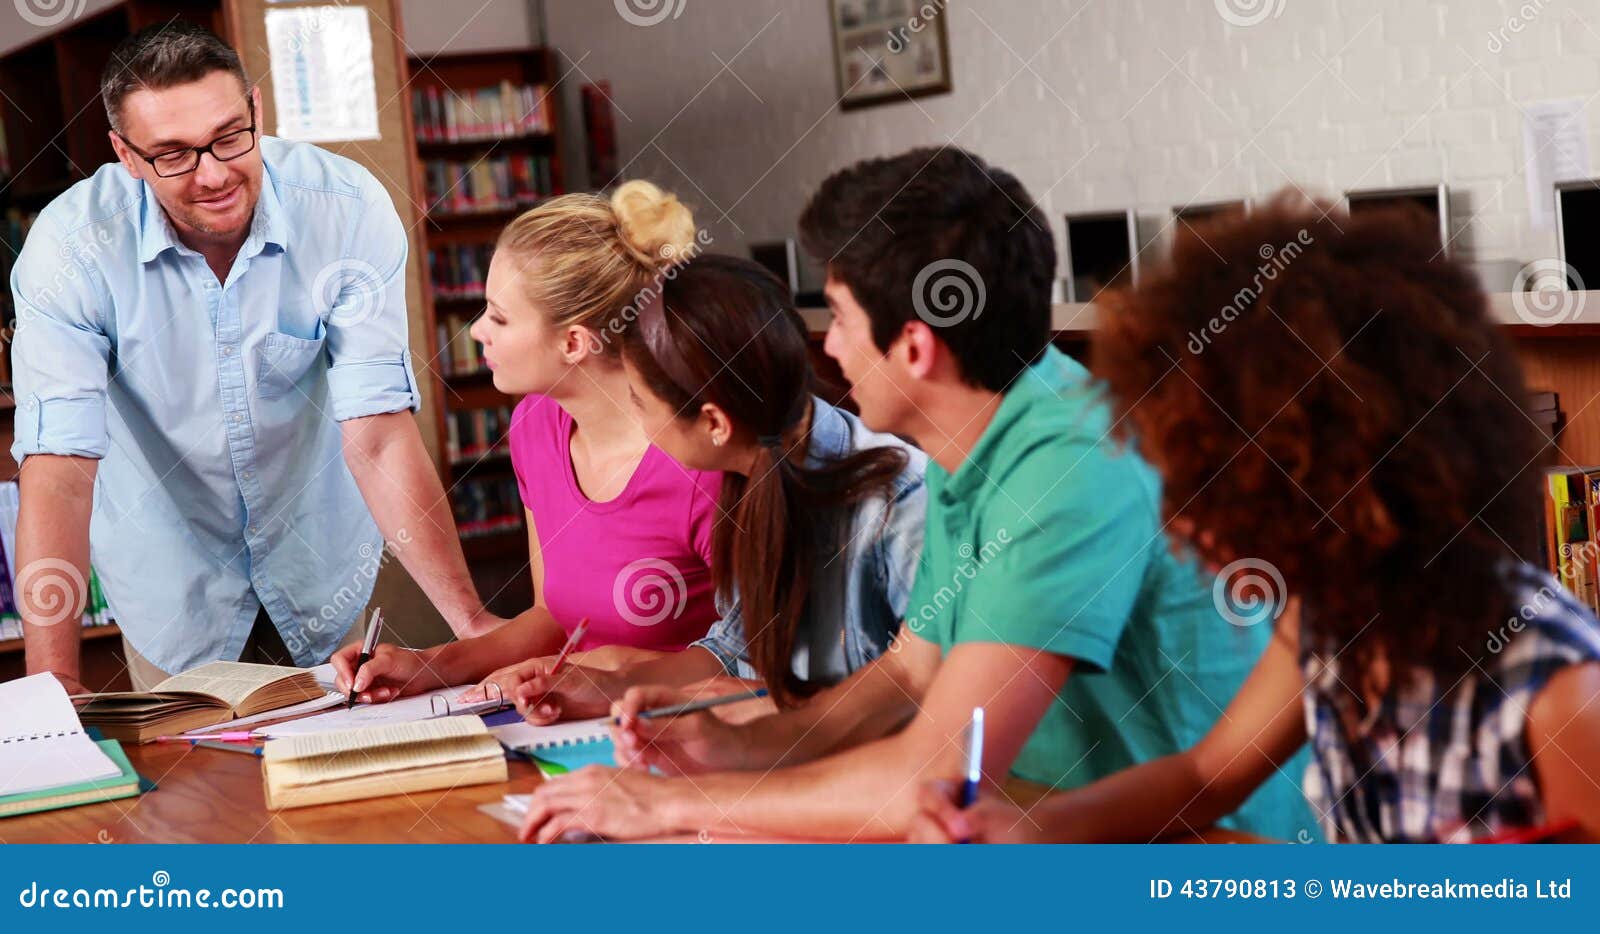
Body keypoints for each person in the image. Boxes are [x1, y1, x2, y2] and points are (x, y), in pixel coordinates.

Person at [515, 147, 1310, 844]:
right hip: (1034, 828)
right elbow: (908, 672)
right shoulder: (995, 428)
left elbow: (930, 771)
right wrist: (738, 746)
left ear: (916, 346)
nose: (827, 346)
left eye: (844, 320)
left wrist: (664, 809)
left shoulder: (1063, 470)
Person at [910, 195, 1600, 844]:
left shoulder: (1561, 695)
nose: (1182, 529)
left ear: (1323, 481)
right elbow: (1206, 776)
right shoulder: (1327, 620)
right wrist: (1031, 831)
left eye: (1210, 491)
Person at [12, 23, 503, 694]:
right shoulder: (72, 248)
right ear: (125, 154)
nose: (213, 174)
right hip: (170, 585)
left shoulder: (346, 210)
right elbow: (60, 470)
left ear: (257, 112)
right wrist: (54, 686)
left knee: (338, 780)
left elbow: (380, 434)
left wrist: (474, 628)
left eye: (229, 137)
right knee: (197, 794)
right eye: (174, 155)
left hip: (319, 565)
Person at [331, 182, 725, 703]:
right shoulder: (535, 425)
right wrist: (429, 665)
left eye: (499, 316)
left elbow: (757, 659)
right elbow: (552, 619)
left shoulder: (702, 464)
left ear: (574, 342)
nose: (476, 332)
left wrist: (593, 677)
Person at [498, 253, 927, 731]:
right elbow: (730, 651)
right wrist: (610, 689)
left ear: (713, 423)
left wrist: (769, 707)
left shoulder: (902, 503)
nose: (636, 423)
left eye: (640, 403)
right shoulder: (750, 471)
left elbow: (945, 708)